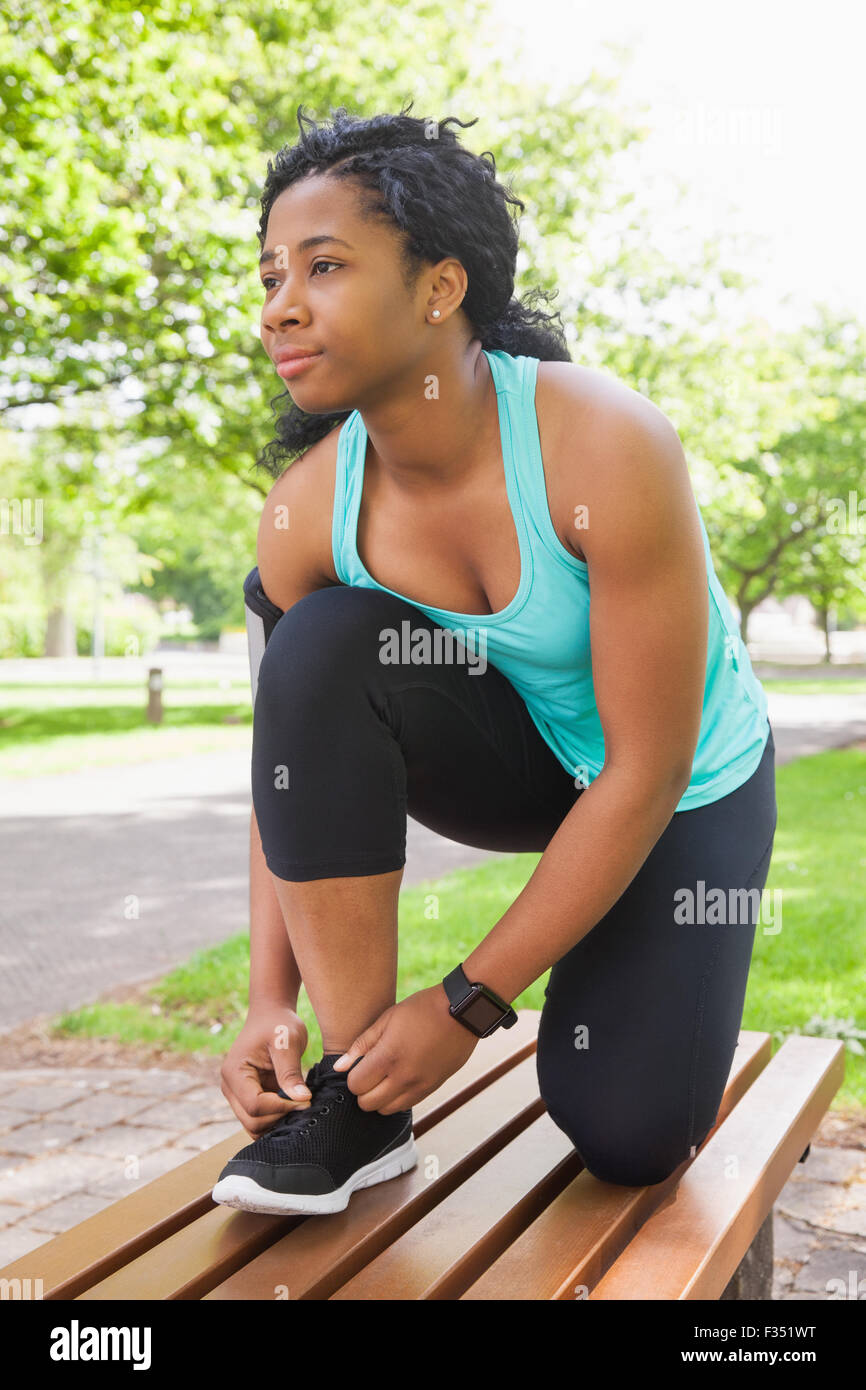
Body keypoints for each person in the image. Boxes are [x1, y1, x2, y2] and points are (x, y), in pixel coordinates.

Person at [211, 104, 777, 1217]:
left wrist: (465, 1001)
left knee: (624, 1134)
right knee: (314, 649)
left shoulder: (600, 442)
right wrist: (263, 994)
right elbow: (285, 758)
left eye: (323, 267)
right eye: (271, 273)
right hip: (520, 763)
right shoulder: (307, 512)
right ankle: (360, 1102)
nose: (280, 306)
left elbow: (644, 769)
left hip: (678, 782)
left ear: (438, 286)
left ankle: (656, 964)